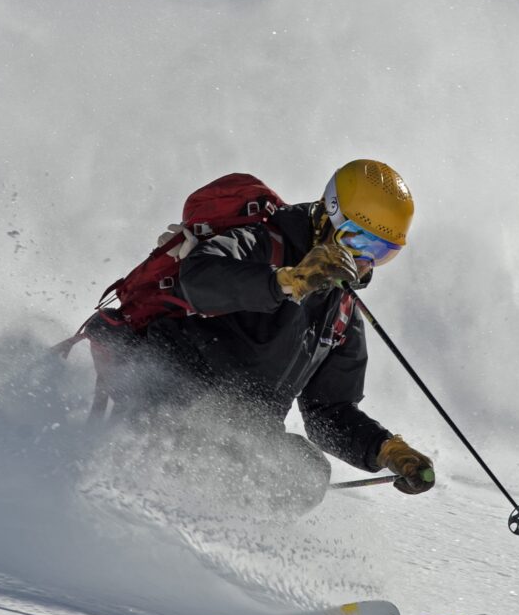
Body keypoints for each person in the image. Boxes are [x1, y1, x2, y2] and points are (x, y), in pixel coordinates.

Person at [78, 159, 435, 513]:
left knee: (306, 471)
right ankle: (129, 510)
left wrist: (385, 449)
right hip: (165, 392)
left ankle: (215, 542)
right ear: (329, 216)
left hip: (234, 435)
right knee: (199, 434)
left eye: (381, 252)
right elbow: (199, 277)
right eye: (358, 240)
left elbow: (329, 412)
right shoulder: (266, 242)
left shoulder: (340, 315)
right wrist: (285, 280)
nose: (363, 260)